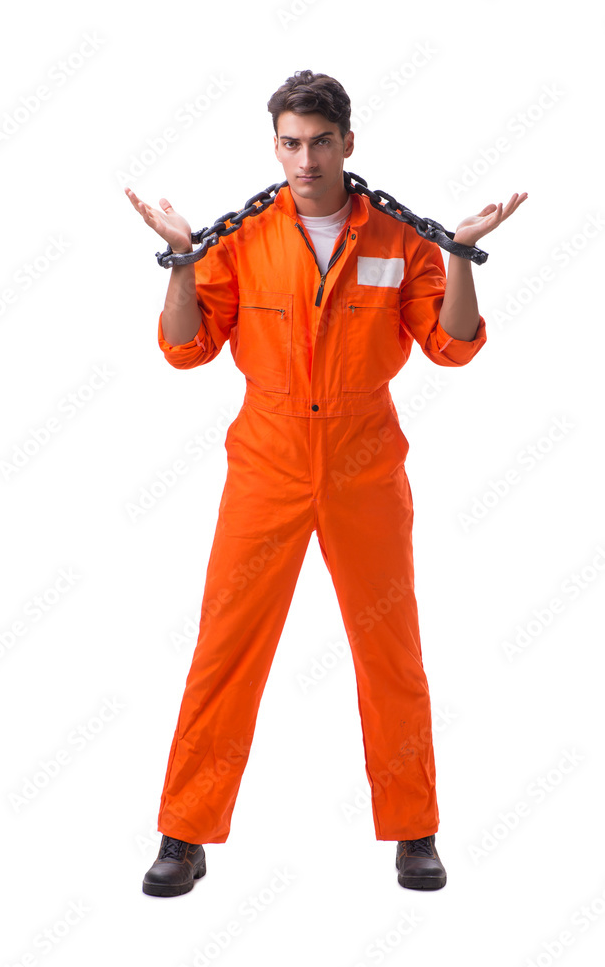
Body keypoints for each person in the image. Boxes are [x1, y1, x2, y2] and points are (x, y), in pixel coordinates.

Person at [125, 69, 527, 896]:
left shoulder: (397, 240)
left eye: (318, 142)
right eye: (289, 143)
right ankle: (184, 834)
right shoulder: (244, 238)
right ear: (275, 146)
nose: (304, 160)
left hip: (363, 462)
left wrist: (460, 257)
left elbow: (453, 346)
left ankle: (415, 832)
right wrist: (180, 261)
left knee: (391, 651)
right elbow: (186, 349)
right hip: (267, 461)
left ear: (347, 142)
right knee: (225, 650)